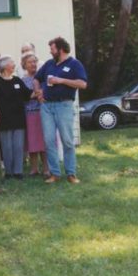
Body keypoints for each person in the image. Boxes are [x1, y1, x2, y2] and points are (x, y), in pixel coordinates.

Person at [35, 37, 87, 184]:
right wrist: (38, 91)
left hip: (64, 106)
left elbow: (82, 84)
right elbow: (37, 78)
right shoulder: (49, 64)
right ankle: (55, 174)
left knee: (67, 140)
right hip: (46, 107)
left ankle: (71, 174)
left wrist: (61, 80)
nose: (50, 51)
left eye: (52, 48)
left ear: (61, 49)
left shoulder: (74, 64)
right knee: (49, 140)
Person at [0, 56, 36, 180]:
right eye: (12, 63)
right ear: (5, 66)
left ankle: (18, 172)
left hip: (18, 117)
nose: (14, 65)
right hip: (3, 118)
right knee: (7, 146)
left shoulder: (17, 80)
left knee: (18, 145)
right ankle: (8, 172)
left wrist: (39, 90)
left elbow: (28, 94)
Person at [21, 53, 48, 176]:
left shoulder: (42, 77)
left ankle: (47, 169)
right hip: (29, 113)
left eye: (34, 61)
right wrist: (34, 94)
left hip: (43, 112)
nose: (33, 64)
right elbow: (22, 97)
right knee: (32, 142)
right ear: (24, 65)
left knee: (44, 142)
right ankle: (34, 168)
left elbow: (45, 93)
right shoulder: (22, 80)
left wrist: (34, 94)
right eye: (30, 62)